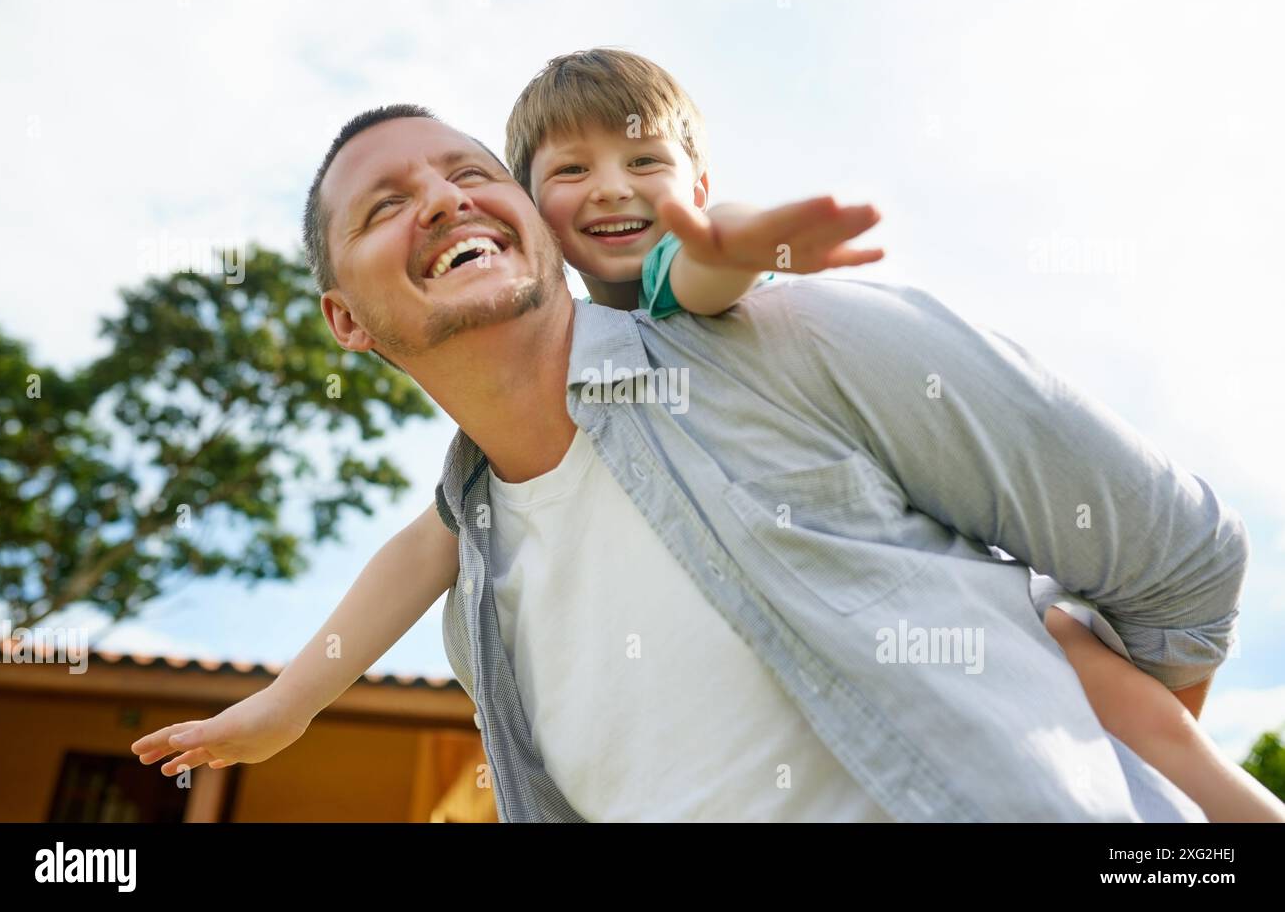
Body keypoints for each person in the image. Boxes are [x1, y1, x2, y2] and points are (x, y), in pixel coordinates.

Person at [133, 50, 1281, 823]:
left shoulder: (777, 340)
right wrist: (281, 707)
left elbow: (1179, 564)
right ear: (346, 320)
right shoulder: (477, 599)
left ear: (529, 225)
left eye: (469, 174)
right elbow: (405, 561)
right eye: (386, 205)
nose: (440, 200)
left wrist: (1105, 752)